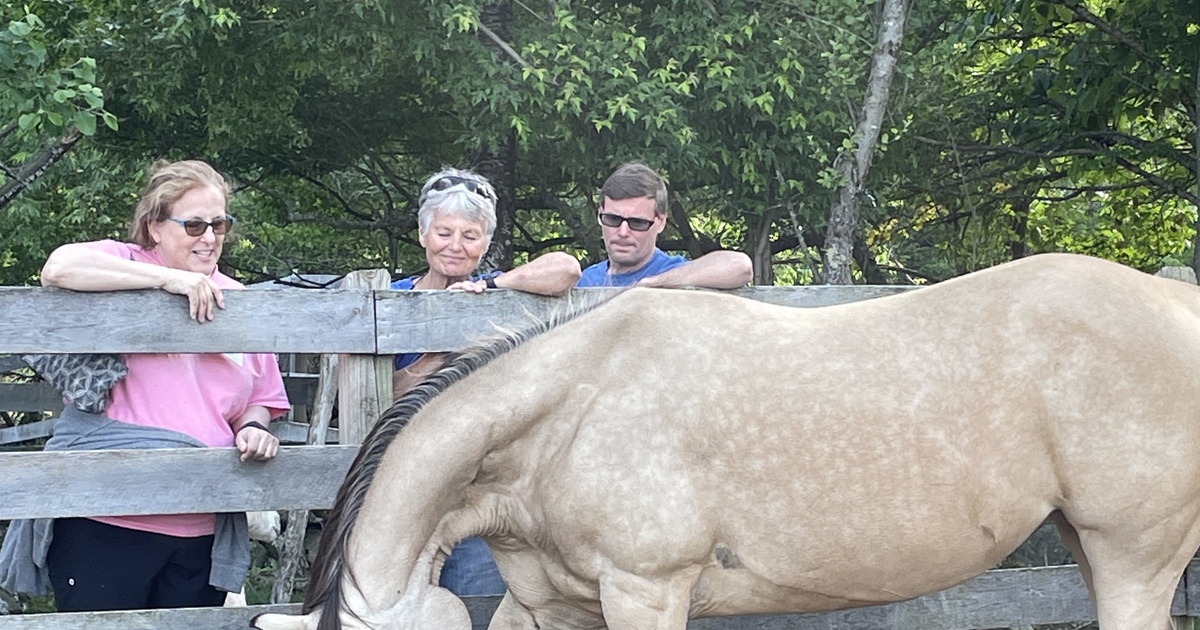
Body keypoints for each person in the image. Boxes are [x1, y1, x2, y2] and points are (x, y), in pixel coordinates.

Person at [0, 159, 291, 612]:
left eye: (219, 224)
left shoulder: (241, 301)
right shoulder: (125, 265)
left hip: (202, 525)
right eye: (193, 224)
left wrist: (254, 428)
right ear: (155, 226)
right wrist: (170, 280)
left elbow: (260, 399)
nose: (209, 237)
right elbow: (59, 267)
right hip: (108, 516)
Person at [390, 167, 580, 596]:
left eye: (470, 235)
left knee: (479, 603)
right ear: (422, 234)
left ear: (486, 243)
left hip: (480, 495)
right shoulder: (389, 298)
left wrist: (494, 284)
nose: (455, 246)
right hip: (406, 492)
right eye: (444, 232)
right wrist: (446, 347)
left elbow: (567, 269)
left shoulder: (496, 296)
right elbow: (377, 402)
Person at [576, 162, 753, 288]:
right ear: (600, 214)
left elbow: (741, 267)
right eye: (613, 219)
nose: (623, 232)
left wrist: (653, 284)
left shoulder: (673, 273)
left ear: (660, 222)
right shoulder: (585, 280)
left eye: (637, 222)